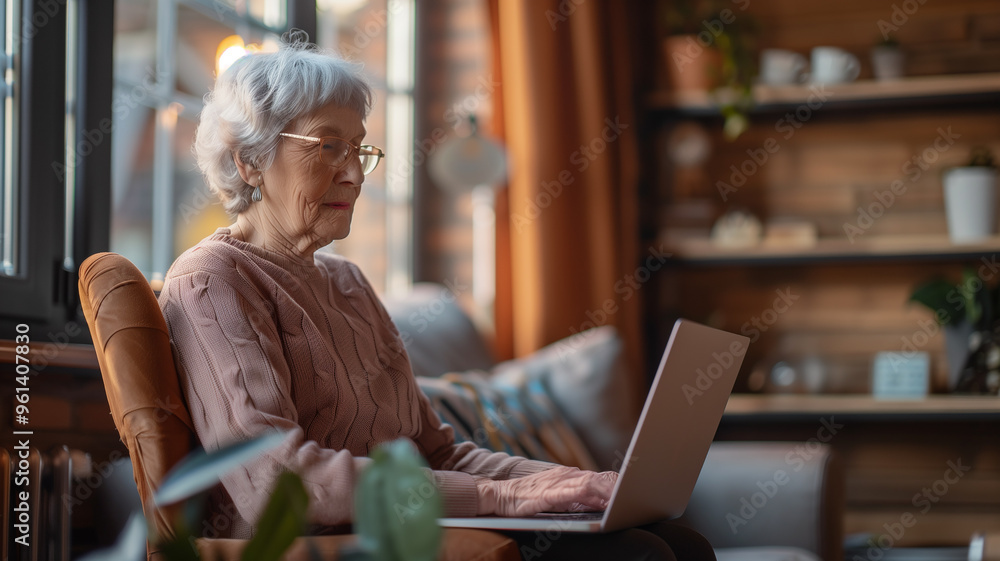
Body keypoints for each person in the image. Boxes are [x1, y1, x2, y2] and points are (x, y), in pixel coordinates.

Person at [160, 32, 714, 560]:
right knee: (644, 554)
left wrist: (562, 481)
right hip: (324, 546)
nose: (354, 173)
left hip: (411, 525)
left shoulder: (347, 284)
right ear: (248, 160)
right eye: (329, 146)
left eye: (359, 149)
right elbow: (276, 483)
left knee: (679, 542)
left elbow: (439, 451)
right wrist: (502, 498)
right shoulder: (213, 281)